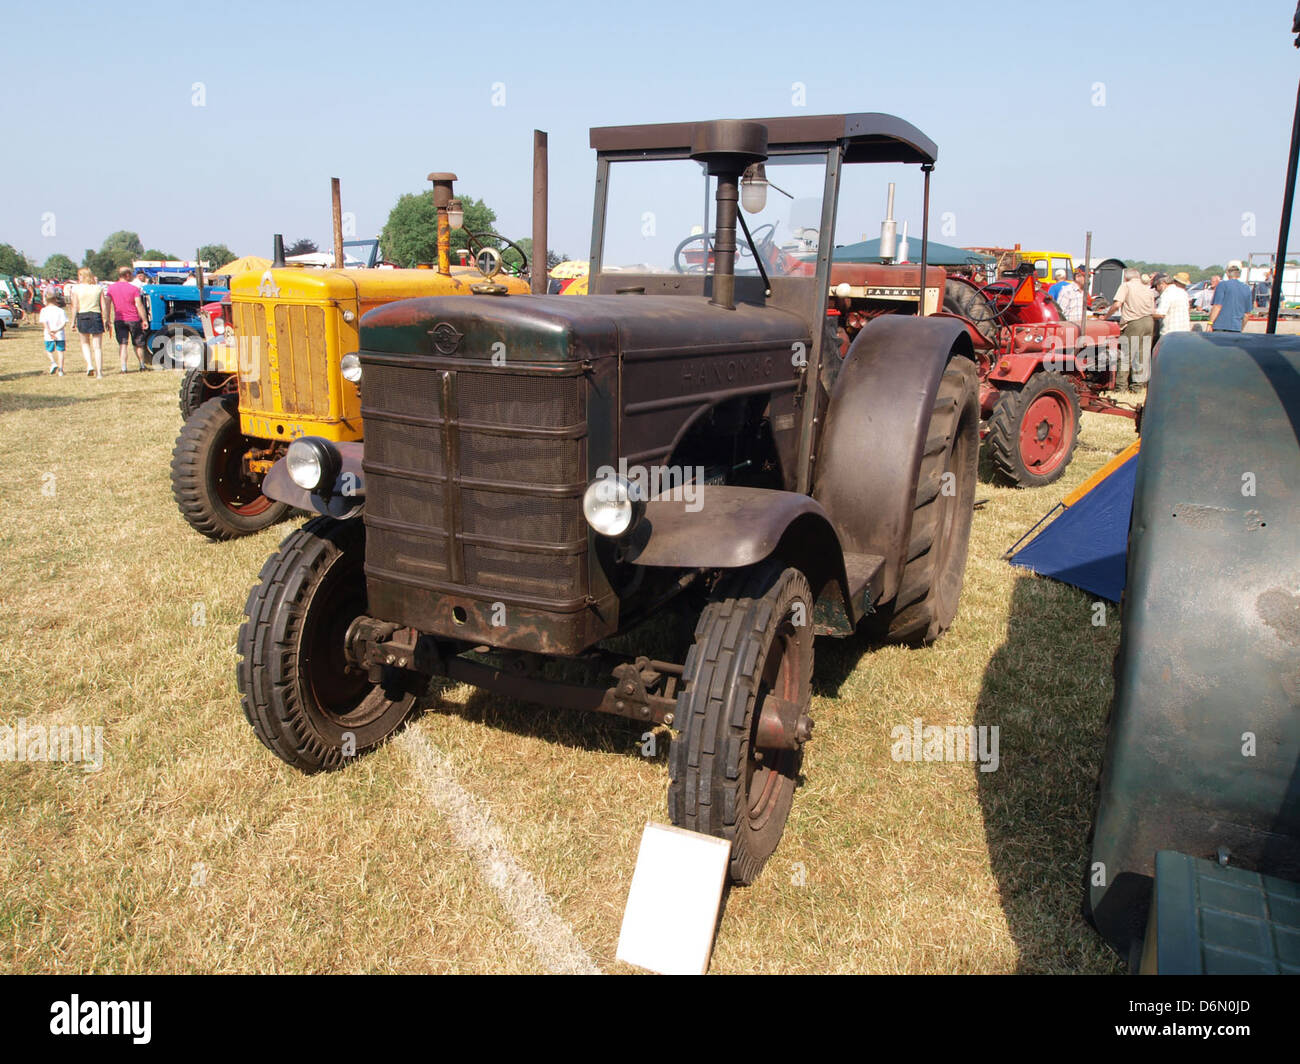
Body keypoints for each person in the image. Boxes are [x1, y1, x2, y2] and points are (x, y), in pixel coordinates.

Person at [1105, 267, 1156, 391]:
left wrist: (1106, 317)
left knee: (1126, 355)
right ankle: (1137, 387)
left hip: (1134, 322)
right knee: (1142, 355)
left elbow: (1117, 304)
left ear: (1126, 277)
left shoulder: (1126, 286)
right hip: (1149, 321)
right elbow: (1153, 309)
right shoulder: (1147, 288)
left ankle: (1121, 387)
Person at [105, 266, 150, 372]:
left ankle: (124, 368)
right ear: (127, 275)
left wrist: (106, 318)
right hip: (133, 319)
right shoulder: (134, 289)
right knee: (138, 344)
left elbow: (107, 304)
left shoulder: (111, 288)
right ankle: (142, 365)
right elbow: (139, 305)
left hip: (119, 319)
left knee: (123, 344)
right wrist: (144, 319)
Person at [68, 267, 108, 378]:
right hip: (96, 315)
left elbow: (75, 306)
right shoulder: (98, 288)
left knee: (85, 343)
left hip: (82, 315)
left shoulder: (76, 289)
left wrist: (73, 321)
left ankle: (90, 365)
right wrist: (106, 319)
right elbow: (103, 305)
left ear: (82, 276)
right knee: (97, 347)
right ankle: (99, 372)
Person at [1209, 264, 1252, 332]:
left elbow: (1217, 306)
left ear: (1227, 273)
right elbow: (1247, 314)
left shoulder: (1222, 285)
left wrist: (1210, 323)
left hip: (1220, 326)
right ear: (1239, 275)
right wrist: (1241, 327)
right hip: (1236, 327)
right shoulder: (1246, 288)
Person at [39, 291, 68, 376]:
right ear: (55, 299)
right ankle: (61, 370)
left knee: (49, 350)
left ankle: (53, 362)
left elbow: (44, 322)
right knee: (60, 351)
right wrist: (56, 330)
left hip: (49, 334)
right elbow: (64, 323)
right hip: (60, 334)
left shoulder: (44, 310)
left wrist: (50, 331)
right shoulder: (60, 310)